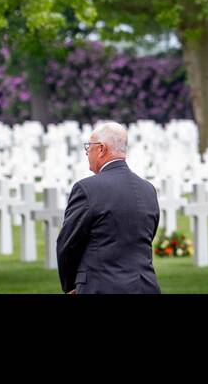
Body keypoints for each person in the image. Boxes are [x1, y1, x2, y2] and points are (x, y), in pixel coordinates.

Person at [56, 120, 162, 295]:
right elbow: (147, 236)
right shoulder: (148, 189)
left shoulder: (87, 189)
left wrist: (70, 286)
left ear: (102, 148)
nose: (87, 152)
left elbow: (68, 244)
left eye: (88, 146)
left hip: (101, 286)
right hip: (145, 286)